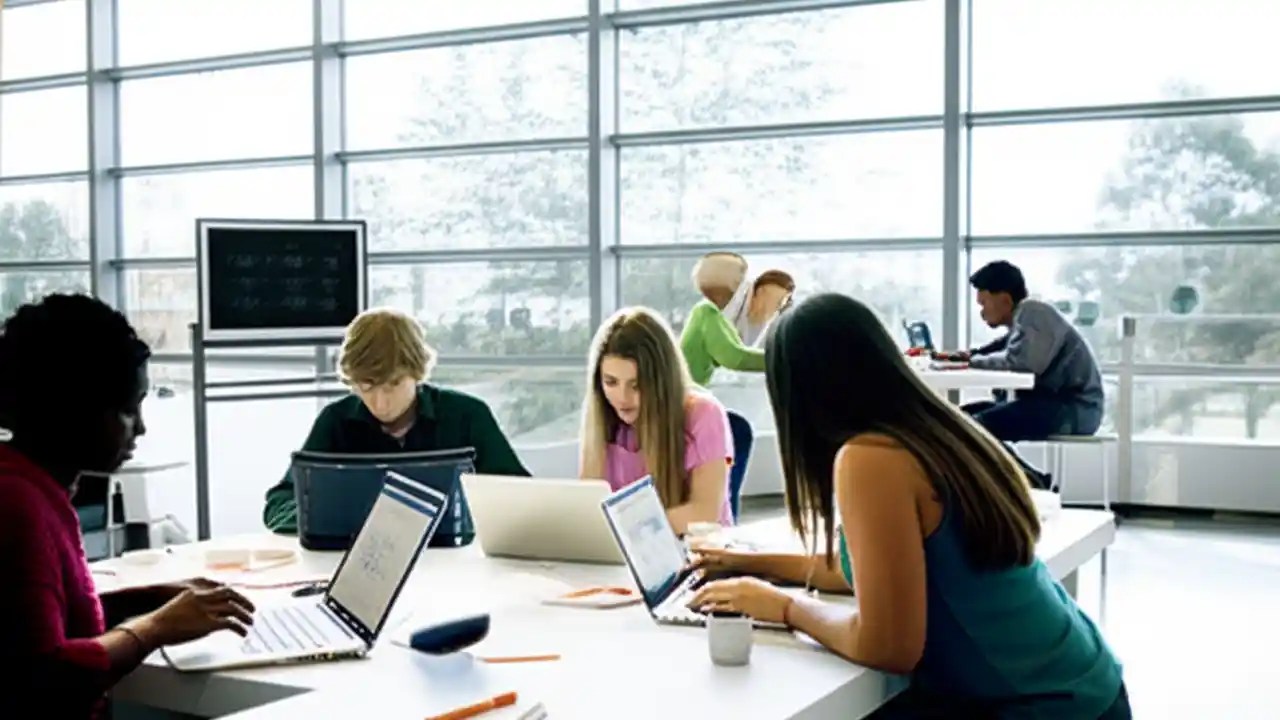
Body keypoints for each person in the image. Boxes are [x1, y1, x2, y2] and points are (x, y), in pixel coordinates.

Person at [689, 293, 1129, 719]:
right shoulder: (933, 428)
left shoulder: (871, 458)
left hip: (1045, 706)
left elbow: (888, 645)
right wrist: (753, 565)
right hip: (1084, 686)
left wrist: (783, 608)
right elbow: (869, 570)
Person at [0, 294, 256, 719]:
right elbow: (43, 678)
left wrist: (156, 599)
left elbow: (44, 619)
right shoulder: (17, 506)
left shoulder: (32, 486)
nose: (140, 427)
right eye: (127, 409)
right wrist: (157, 627)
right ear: (72, 409)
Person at [263, 307, 529, 533]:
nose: (380, 403)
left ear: (417, 371)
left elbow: (521, 498)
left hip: (458, 561)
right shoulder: (335, 421)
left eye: (393, 384)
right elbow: (279, 507)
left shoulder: (468, 415)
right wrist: (346, 516)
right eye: (366, 387)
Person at [937, 261, 1105, 490]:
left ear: (1005, 299)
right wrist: (966, 357)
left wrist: (970, 361)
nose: (982, 311)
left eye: (984, 302)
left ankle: (1030, 483)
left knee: (976, 426)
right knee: (957, 420)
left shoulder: (1032, 312)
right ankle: (1024, 481)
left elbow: (1023, 364)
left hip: (1074, 409)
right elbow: (999, 349)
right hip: (1054, 405)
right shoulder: (1024, 321)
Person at [580, 307, 734, 533]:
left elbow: (704, 512)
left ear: (662, 382)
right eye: (611, 382)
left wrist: (622, 526)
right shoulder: (601, 416)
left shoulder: (704, 414)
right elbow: (588, 506)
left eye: (637, 385)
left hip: (700, 556)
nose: (622, 398)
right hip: (626, 556)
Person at [680, 252, 794, 518]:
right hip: (677, 402)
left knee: (734, 430)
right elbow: (734, 356)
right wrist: (785, 357)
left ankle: (724, 510)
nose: (771, 308)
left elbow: (740, 349)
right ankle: (724, 515)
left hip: (686, 401)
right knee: (736, 431)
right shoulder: (706, 313)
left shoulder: (717, 318)